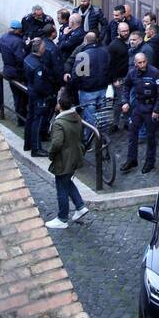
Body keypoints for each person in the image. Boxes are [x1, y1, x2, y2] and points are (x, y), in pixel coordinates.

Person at [45, 87, 88, 230]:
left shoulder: (59, 123)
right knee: (67, 182)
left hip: (64, 159)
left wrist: (51, 154)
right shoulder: (76, 117)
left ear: (60, 104)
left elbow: (57, 143)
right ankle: (80, 206)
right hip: (75, 156)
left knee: (61, 187)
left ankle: (62, 218)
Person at [120, 52, 159, 175]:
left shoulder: (155, 73)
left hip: (151, 108)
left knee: (151, 137)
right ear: (135, 63)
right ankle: (131, 159)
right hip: (138, 106)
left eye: (144, 61)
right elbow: (126, 87)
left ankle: (150, 162)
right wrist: (125, 101)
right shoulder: (132, 73)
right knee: (132, 134)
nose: (142, 64)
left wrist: (157, 110)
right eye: (139, 63)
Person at [69, 31, 111, 134]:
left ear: (85, 41)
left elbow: (77, 76)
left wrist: (78, 86)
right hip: (102, 88)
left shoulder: (83, 55)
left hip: (87, 91)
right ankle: (102, 137)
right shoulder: (105, 52)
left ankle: (89, 139)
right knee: (102, 115)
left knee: (89, 118)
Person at [23, 39, 55, 157]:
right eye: (43, 47)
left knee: (30, 118)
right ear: (40, 49)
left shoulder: (28, 59)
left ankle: (28, 143)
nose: (45, 48)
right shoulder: (38, 66)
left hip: (31, 93)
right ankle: (36, 148)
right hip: (39, 97)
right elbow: (40, 85)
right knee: (38, 120)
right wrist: (48, 94)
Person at [0, 20, 28, 126]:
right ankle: (22, 120)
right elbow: (21, 59)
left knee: (16, 96)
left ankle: (20, 119)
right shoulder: (17, 42)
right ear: (18, 30)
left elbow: (1, 50)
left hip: (8, 70)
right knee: (21, 97)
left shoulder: (3, 37)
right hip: (17, 73)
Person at [142, 11, 159, 77]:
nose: (144, 24)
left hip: (158, 67)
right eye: (143, 21)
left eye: (147, 22)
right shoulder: (146, 32)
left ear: (153, 22)